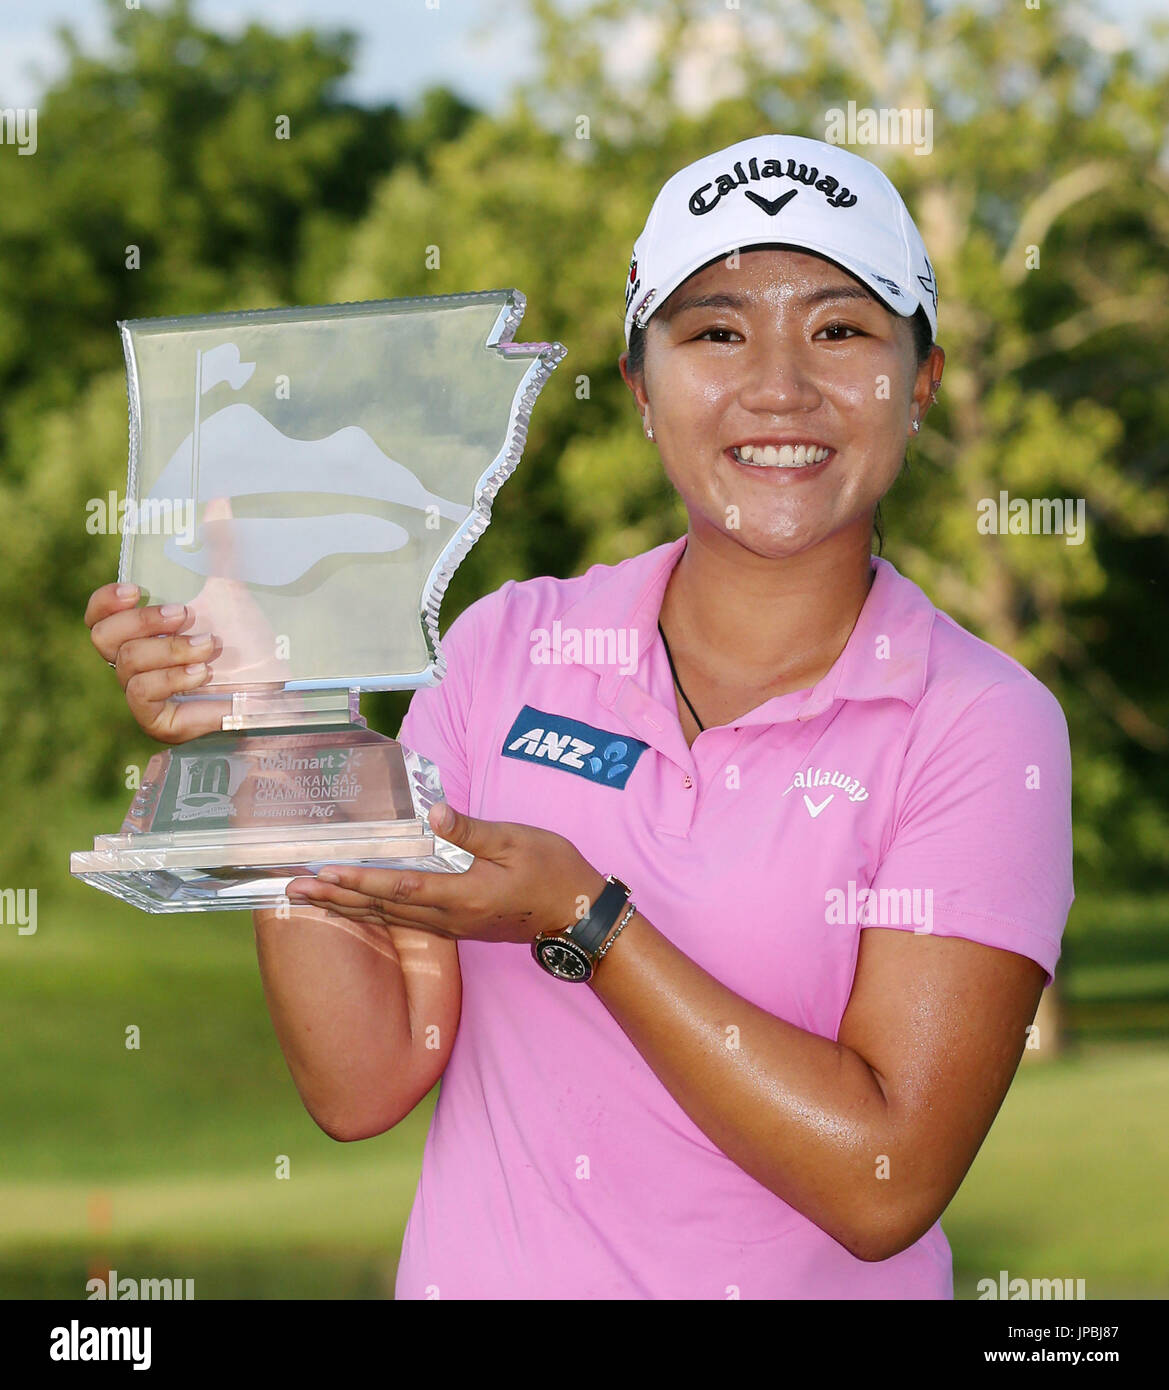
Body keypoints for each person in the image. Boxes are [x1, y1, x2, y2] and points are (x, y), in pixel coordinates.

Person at [85, 133, 1074, 1300]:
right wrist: (269, 723)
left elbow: (882, 1181)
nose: (776, 386)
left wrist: (586, 921)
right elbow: (365, 1078)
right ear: (642, 385)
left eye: (839, 329)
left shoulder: (980, 725)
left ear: (917, 381)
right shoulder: (510, 646)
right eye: (713, 331)